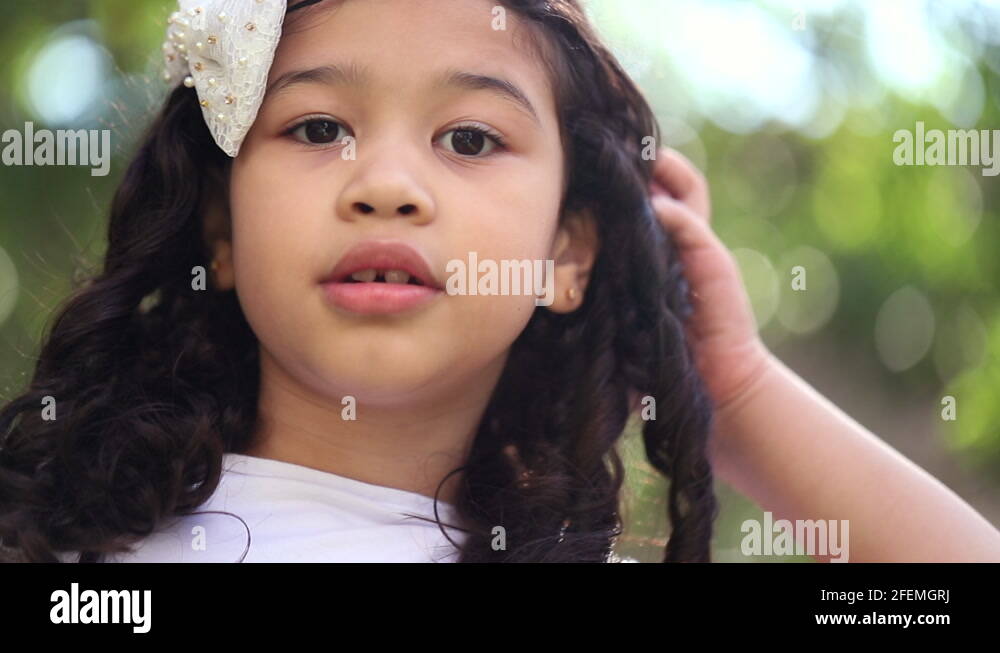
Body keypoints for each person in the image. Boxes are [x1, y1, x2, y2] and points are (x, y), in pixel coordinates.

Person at [1, 0, 998, 563]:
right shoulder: (65, 548)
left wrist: (730, 389)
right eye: (317, 128)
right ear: (219, 229)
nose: (385, 186)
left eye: (470, 138)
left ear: (567, 255)